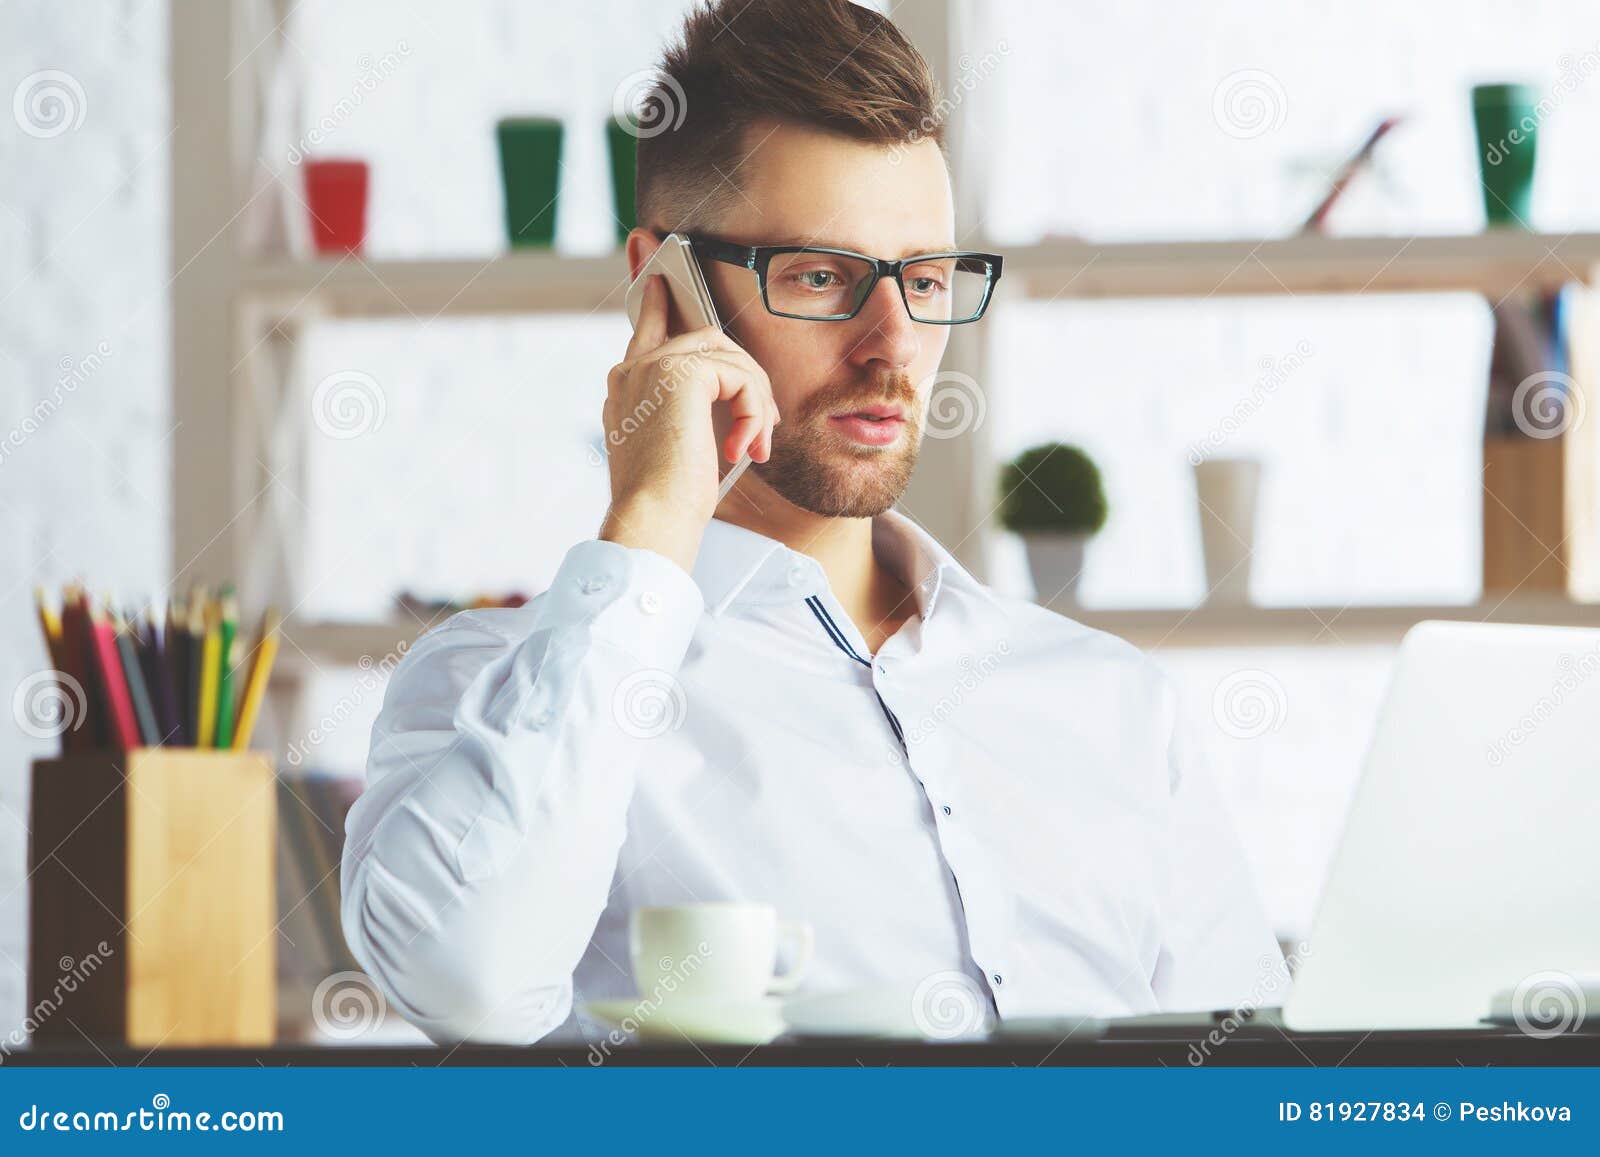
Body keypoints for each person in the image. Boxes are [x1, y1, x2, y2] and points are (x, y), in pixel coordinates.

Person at [341, 0, 1285, 1045]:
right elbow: (467, 981)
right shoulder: (496, 689)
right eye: (822, 277)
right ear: (666, 285)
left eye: (925, 280)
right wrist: (653, 507)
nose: (892, 345)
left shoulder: (1114, 706)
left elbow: (1244, 1076)